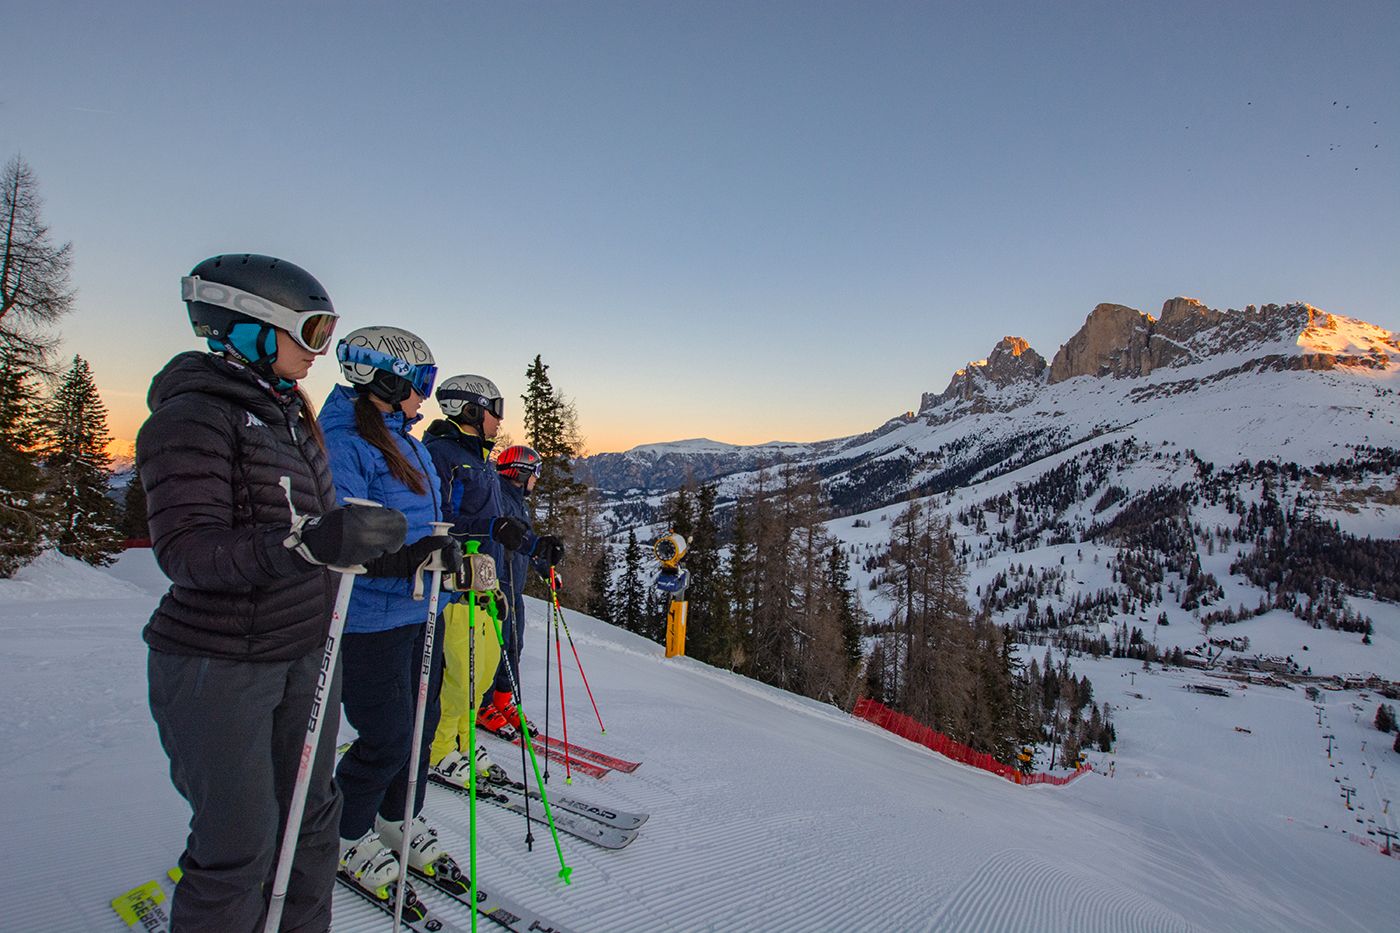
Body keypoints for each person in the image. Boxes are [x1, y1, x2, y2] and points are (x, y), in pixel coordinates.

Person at [139, 254, 408, 932]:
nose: (320, 350)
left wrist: (391, 552)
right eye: (311, 331)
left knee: (311, 827)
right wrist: (307, 545)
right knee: (241, 844)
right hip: (219, 661)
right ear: (251, 327)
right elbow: (187, 551)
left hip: (302, 651)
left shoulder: (290, 414)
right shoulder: (192, 417)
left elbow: (324, 537)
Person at [320, 326, 463, 901]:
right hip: (367, 617)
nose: (425, 394)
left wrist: (445, 549)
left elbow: (422, 524)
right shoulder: (343, 441)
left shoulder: (407, 440)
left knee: (420, 728)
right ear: (384, 378)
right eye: (420, 382)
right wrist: (412, 557)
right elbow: (341, 535)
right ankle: (343, 833)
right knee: (386, 733)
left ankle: (397, 816)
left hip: (416, 608)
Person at [422, 375, 530, 787]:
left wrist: (521, 541)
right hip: (454, 580)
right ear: (470, 409)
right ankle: (439, 747)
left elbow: (493, 520)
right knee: (460, 671)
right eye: (494, 409)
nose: (499, 419)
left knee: (482, 668)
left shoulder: (480, 458)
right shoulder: (441, 454)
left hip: (482, 578)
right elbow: (440, 518)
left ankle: (463, 739)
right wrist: (491, 525)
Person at [494, 444, 565, 714]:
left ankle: (501, 702)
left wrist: (545, 568)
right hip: (500, 586)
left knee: (514, 647)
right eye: (534, 473)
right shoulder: (499, 497)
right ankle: (486, 703)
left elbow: (527, 543)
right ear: (521, 473)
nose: (536, 479)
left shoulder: (518, 503)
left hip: (515, 587)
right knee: (499, 649)